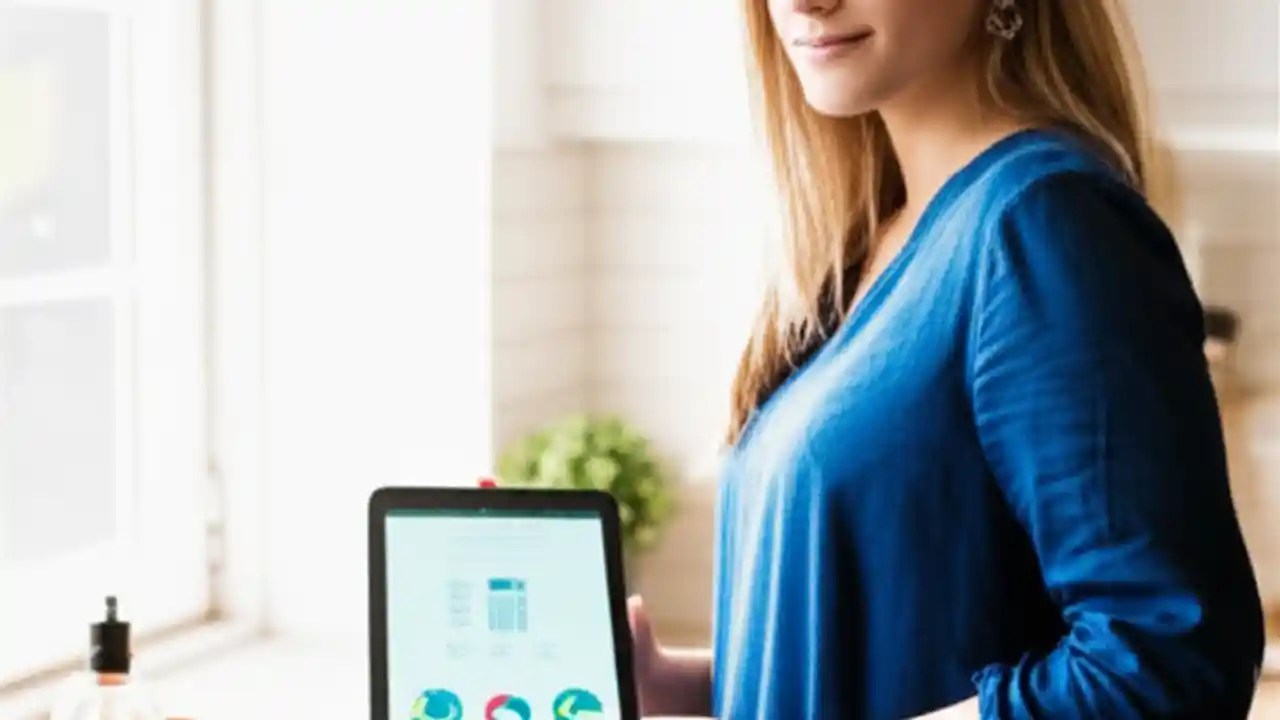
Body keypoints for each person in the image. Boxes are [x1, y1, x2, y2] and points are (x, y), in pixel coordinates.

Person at [626, 0, 1266, 718]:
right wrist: (667, 686)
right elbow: (887, 662)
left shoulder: (1044, 225)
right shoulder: (874, 238)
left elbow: (1165, 665)